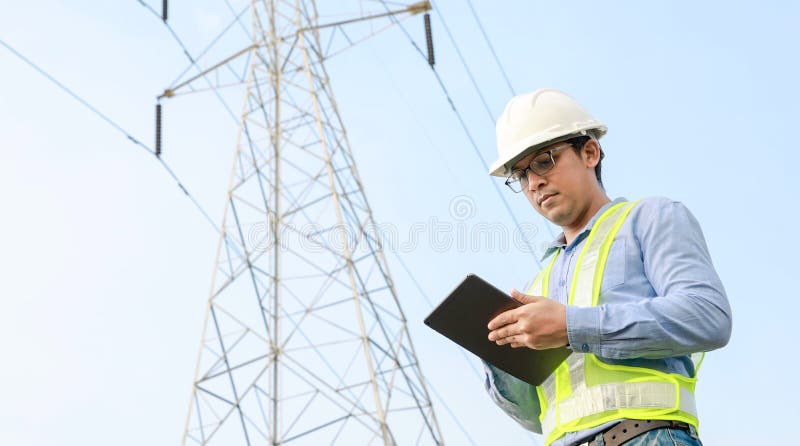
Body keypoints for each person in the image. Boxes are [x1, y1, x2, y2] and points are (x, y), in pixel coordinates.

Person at [483, 88, 732, 446]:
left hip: (649, 436)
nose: (534, 182)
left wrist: (571, 327)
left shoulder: (650, 219)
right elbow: (537, 417)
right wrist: (498, 357)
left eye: (543, 161)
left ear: (589, 152)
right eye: (521, 175)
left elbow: (708, 317)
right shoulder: (537, 286)